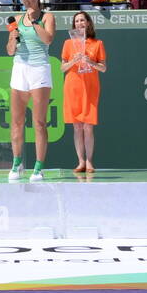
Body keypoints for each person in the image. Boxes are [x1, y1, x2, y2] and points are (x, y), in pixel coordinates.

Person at [7, 0, 56, 181]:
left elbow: (48, 40)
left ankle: (38, 167)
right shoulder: (16, 20)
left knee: (39, 122)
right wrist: (12, 38)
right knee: (17, 122)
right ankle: (17, 163)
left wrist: (34, 23)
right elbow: (10, 51)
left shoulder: (47, 17)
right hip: (20, 68)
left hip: (39, 69)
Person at [61, 10, 107, 174]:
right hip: (73, 86)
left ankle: (89, 161)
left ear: (88, 23)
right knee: (77, 126)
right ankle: (80, 161)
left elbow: (103, 68)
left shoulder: (97, 43)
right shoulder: (68, 43)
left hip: (90, 87)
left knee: (88, 127)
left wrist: (90, 62)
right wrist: (74, 60)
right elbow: (62, 67)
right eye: (77, 21)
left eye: (82, 20)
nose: (79, 23)